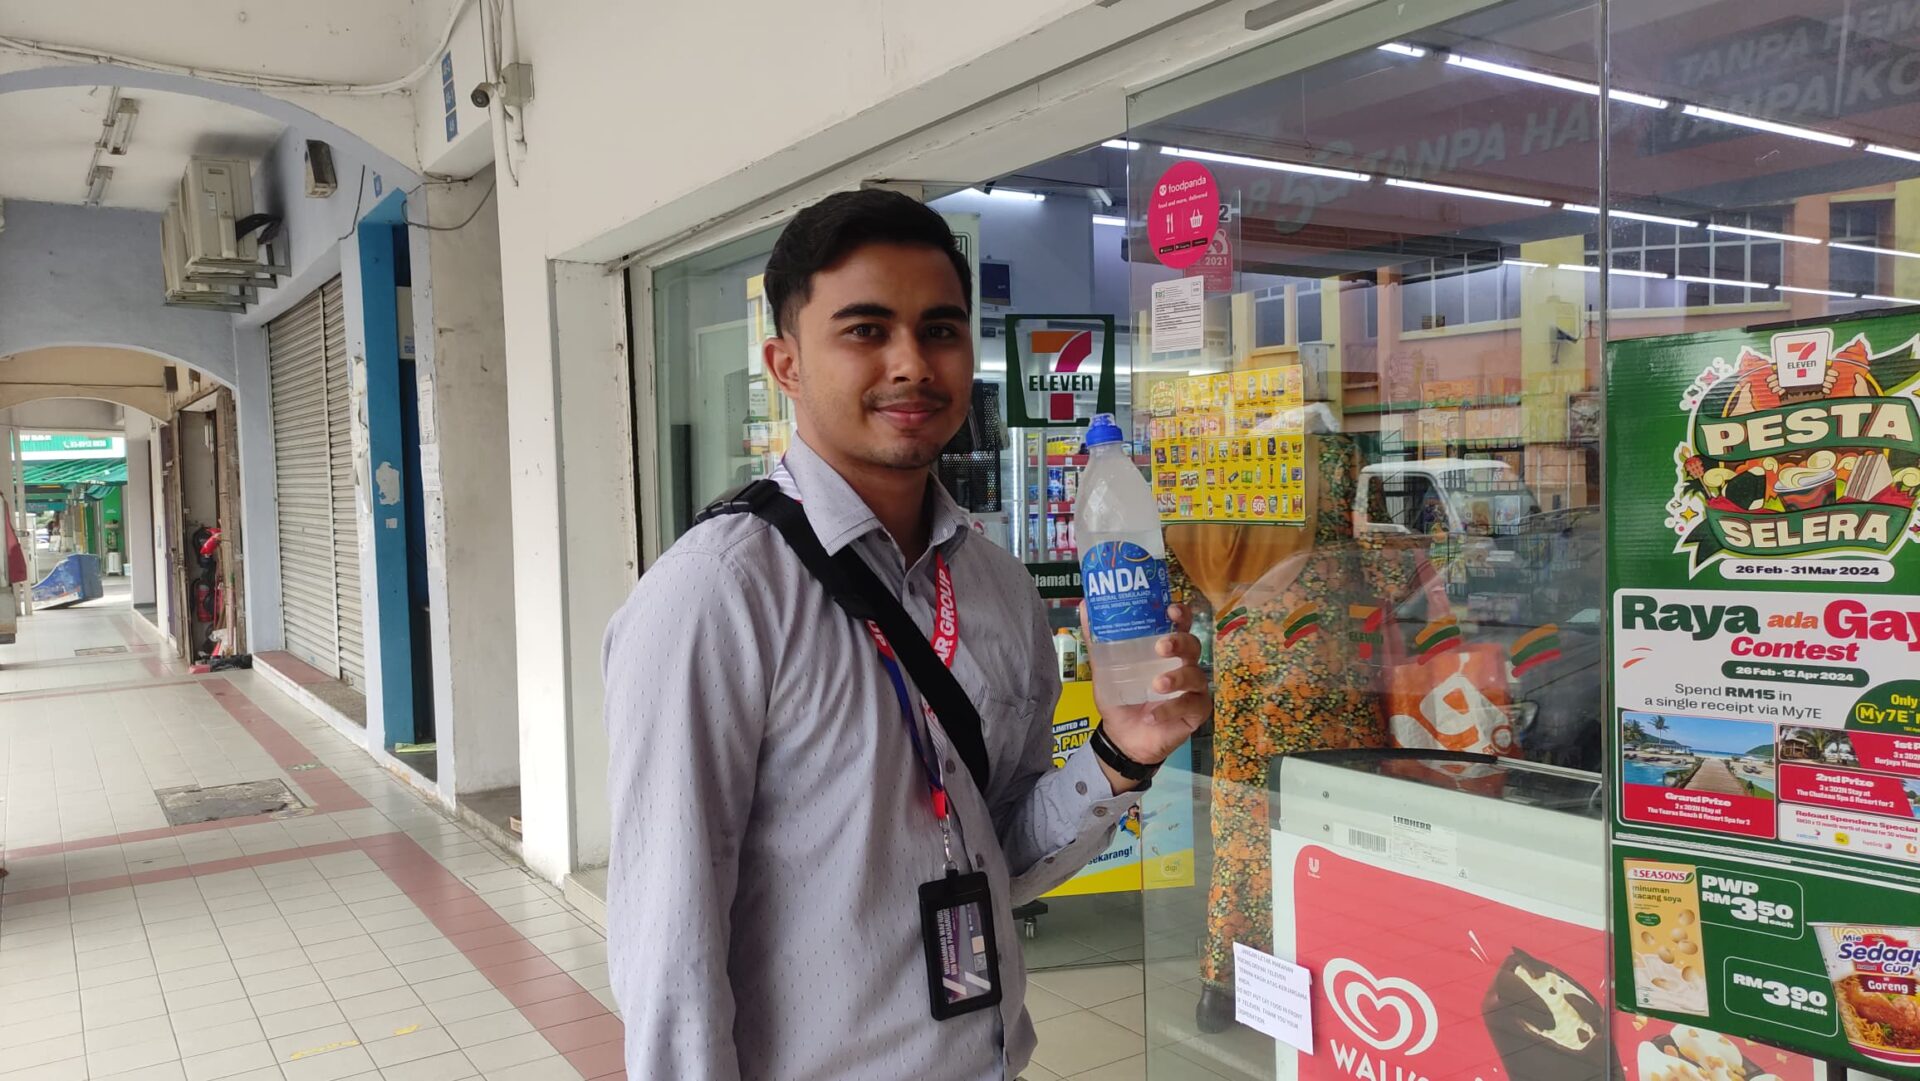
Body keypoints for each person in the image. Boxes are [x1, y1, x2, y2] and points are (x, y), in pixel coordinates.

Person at [602, 189, 1210, 1081]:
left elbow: (994, 848)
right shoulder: (716, 595)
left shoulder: (997, 587)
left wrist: (1122, 752)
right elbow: (669, 954)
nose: (911, 364)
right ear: (786, 363)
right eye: (864, 330)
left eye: (939, 330)